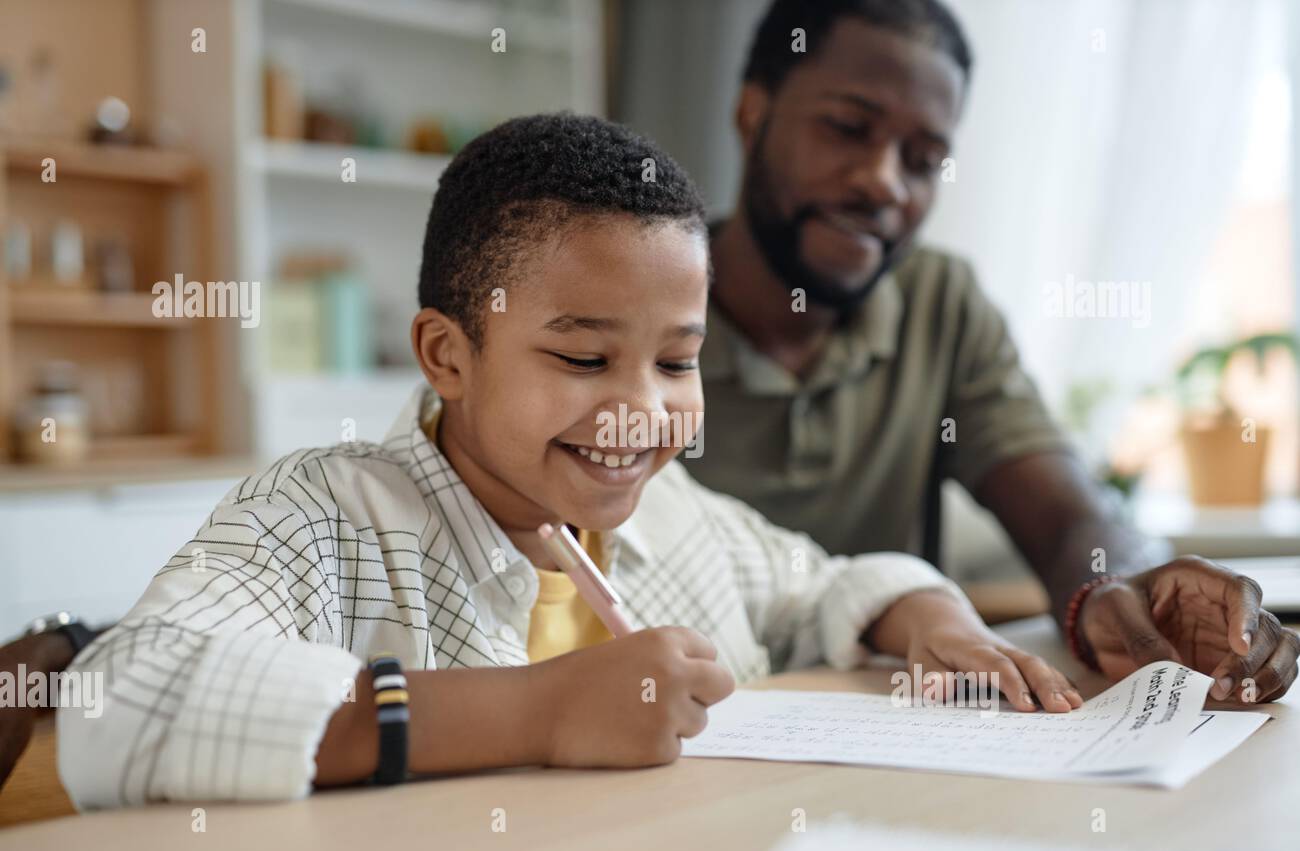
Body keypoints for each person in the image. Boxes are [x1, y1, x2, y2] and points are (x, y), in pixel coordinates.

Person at [57, 114, 1083, 810]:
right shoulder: (325, 514)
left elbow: (823, 585)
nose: (642, 411)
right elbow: (122, 702)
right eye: (584, 356)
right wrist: (539, 711)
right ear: (447, 354)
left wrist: (935, 622)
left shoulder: (668, 510)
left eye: (677, 360)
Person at [687, 0, 1298, 696]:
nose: (883, 182)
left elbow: (1068, 515)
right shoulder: (635, 315)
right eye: (847, 128)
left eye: (923, 160)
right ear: (751, 112)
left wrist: (1119, 584)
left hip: (880, 744)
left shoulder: (940, 304)